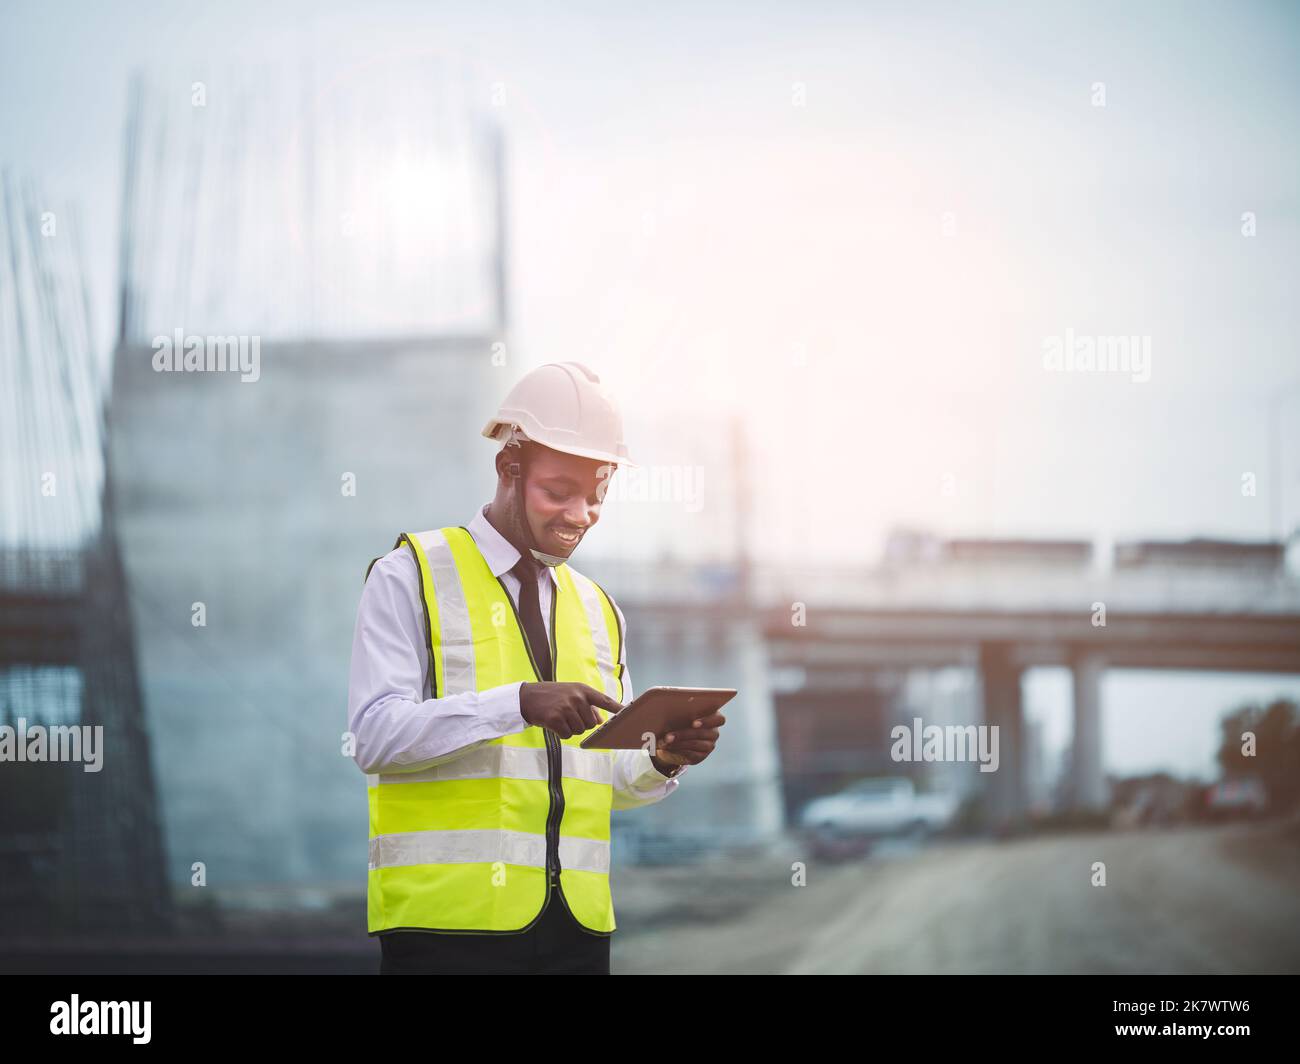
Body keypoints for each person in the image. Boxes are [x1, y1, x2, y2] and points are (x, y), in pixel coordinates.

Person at [347, 361, 726, 974]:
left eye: (596, 496)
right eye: (559, 491)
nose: (580, 514)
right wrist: (517, 703)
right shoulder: (411, 574)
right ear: (508, 469)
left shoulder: (599, 610)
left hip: (575, 934)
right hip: (446, 932)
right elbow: (373, 737)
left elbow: (608, 783)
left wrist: (663, 758)